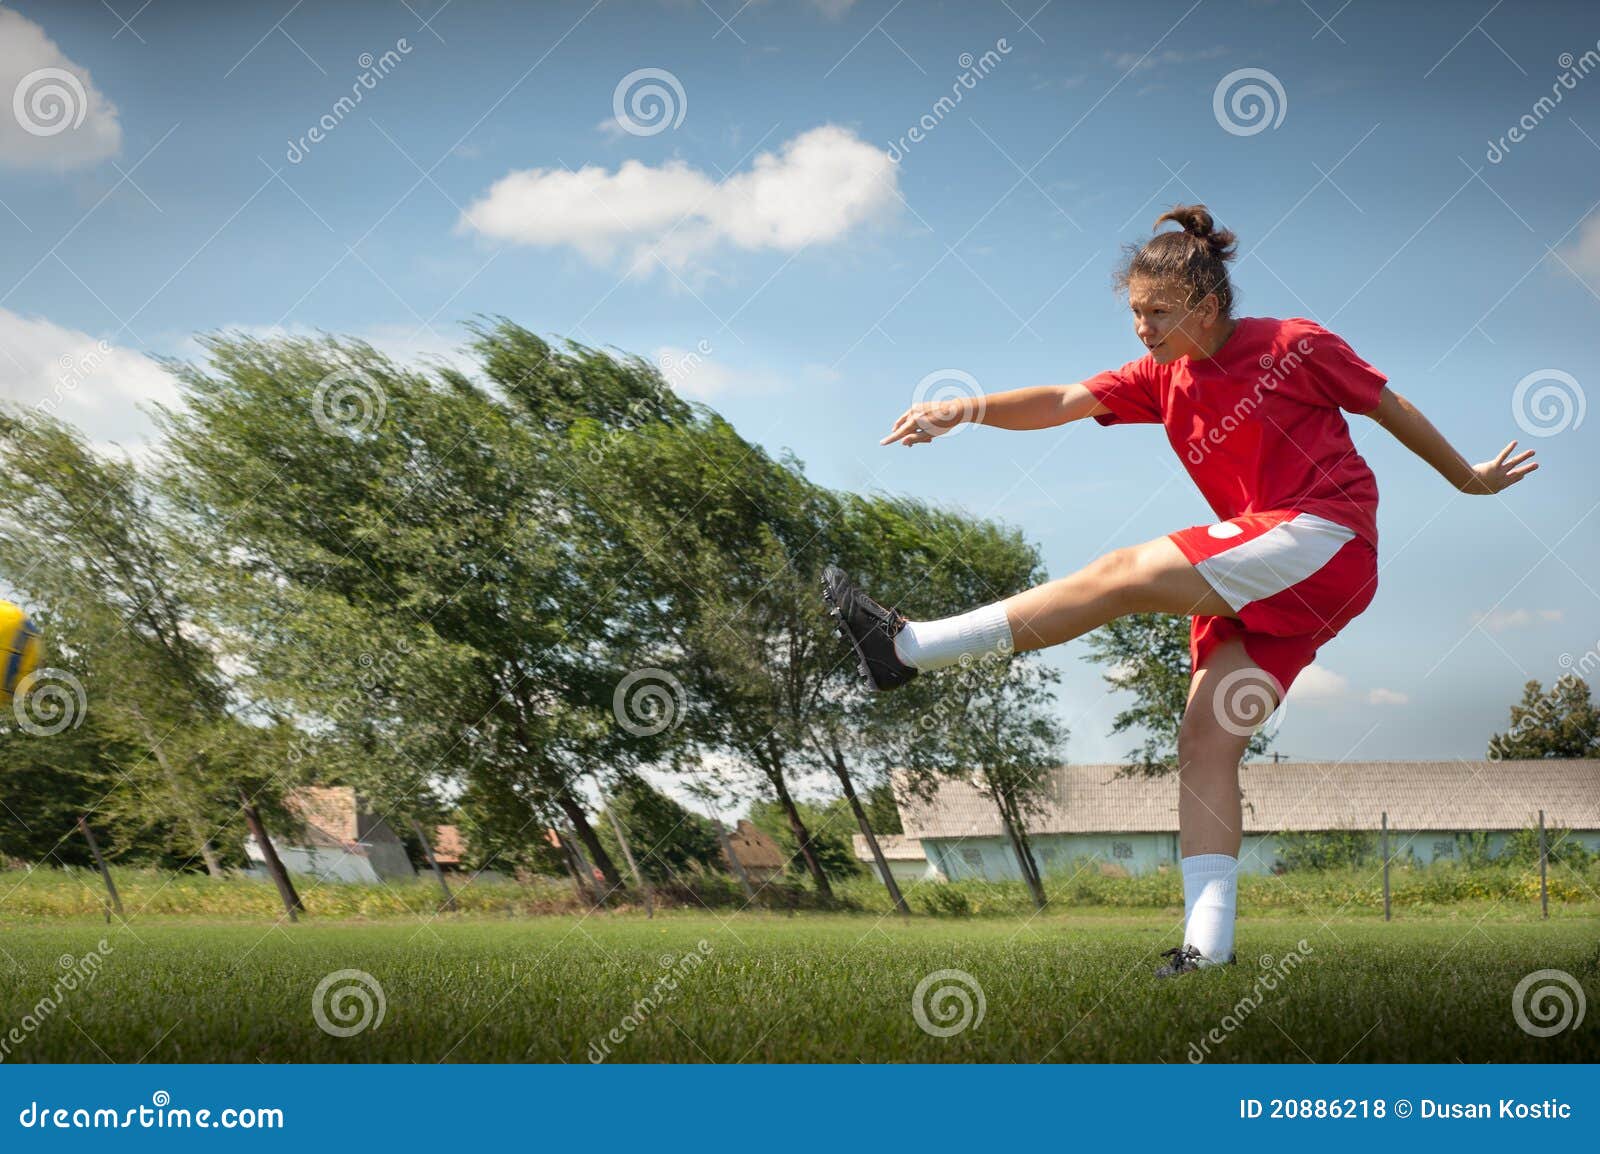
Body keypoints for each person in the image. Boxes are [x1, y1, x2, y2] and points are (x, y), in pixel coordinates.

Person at [820, 203, 1538, 978]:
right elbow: (1064, 401)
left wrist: (1468, 478)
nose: (1143, 328)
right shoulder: (1161, 376)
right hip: (1268, 587)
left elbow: (1387, 405)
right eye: (1134, 312)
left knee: (1121, 575)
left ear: (1207, 304)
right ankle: (1208, 950)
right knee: (1203, 745)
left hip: (1322, 540)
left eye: (1158, 312)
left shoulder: (1294, 344)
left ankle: (908, 646)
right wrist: (962, 410)